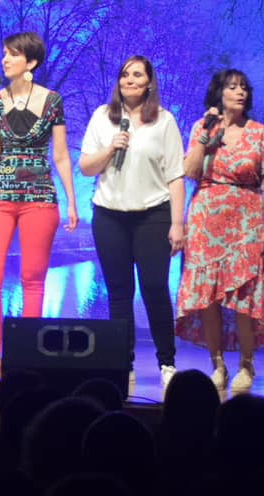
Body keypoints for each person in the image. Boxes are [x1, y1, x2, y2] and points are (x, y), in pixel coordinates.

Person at [0, 32, 79, 382]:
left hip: (39, 197)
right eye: (3, 54)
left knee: (32, 279)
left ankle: (23, 357)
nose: (5, 60)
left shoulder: (52, 101)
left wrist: (71, 201)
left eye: (13, 55)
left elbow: (60, 155)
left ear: (30, 63)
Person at [78, 56, 184, 389]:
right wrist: (110, 148)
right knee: (119, 293)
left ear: (150, 83)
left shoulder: (164, 121)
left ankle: (167, 363)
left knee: (154, 288)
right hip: (109, 215)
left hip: (153, 214)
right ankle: (122, 365)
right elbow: (86, 167)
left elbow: (176, 176)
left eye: (137, 74)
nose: (130, 79)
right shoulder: (102, 117)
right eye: (124, 74)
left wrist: (178, 224)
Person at [175, 69, 264, 394]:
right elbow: (190, 171)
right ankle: (217, 364)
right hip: (205, 218)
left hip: (245, 220)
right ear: (218, 93)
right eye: (232, 88)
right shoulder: (202, 126)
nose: (240, 93)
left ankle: (247, 365)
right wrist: (207, 136)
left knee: (243, 294)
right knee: (207, 295)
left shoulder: (261, 133)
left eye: (244, 88)